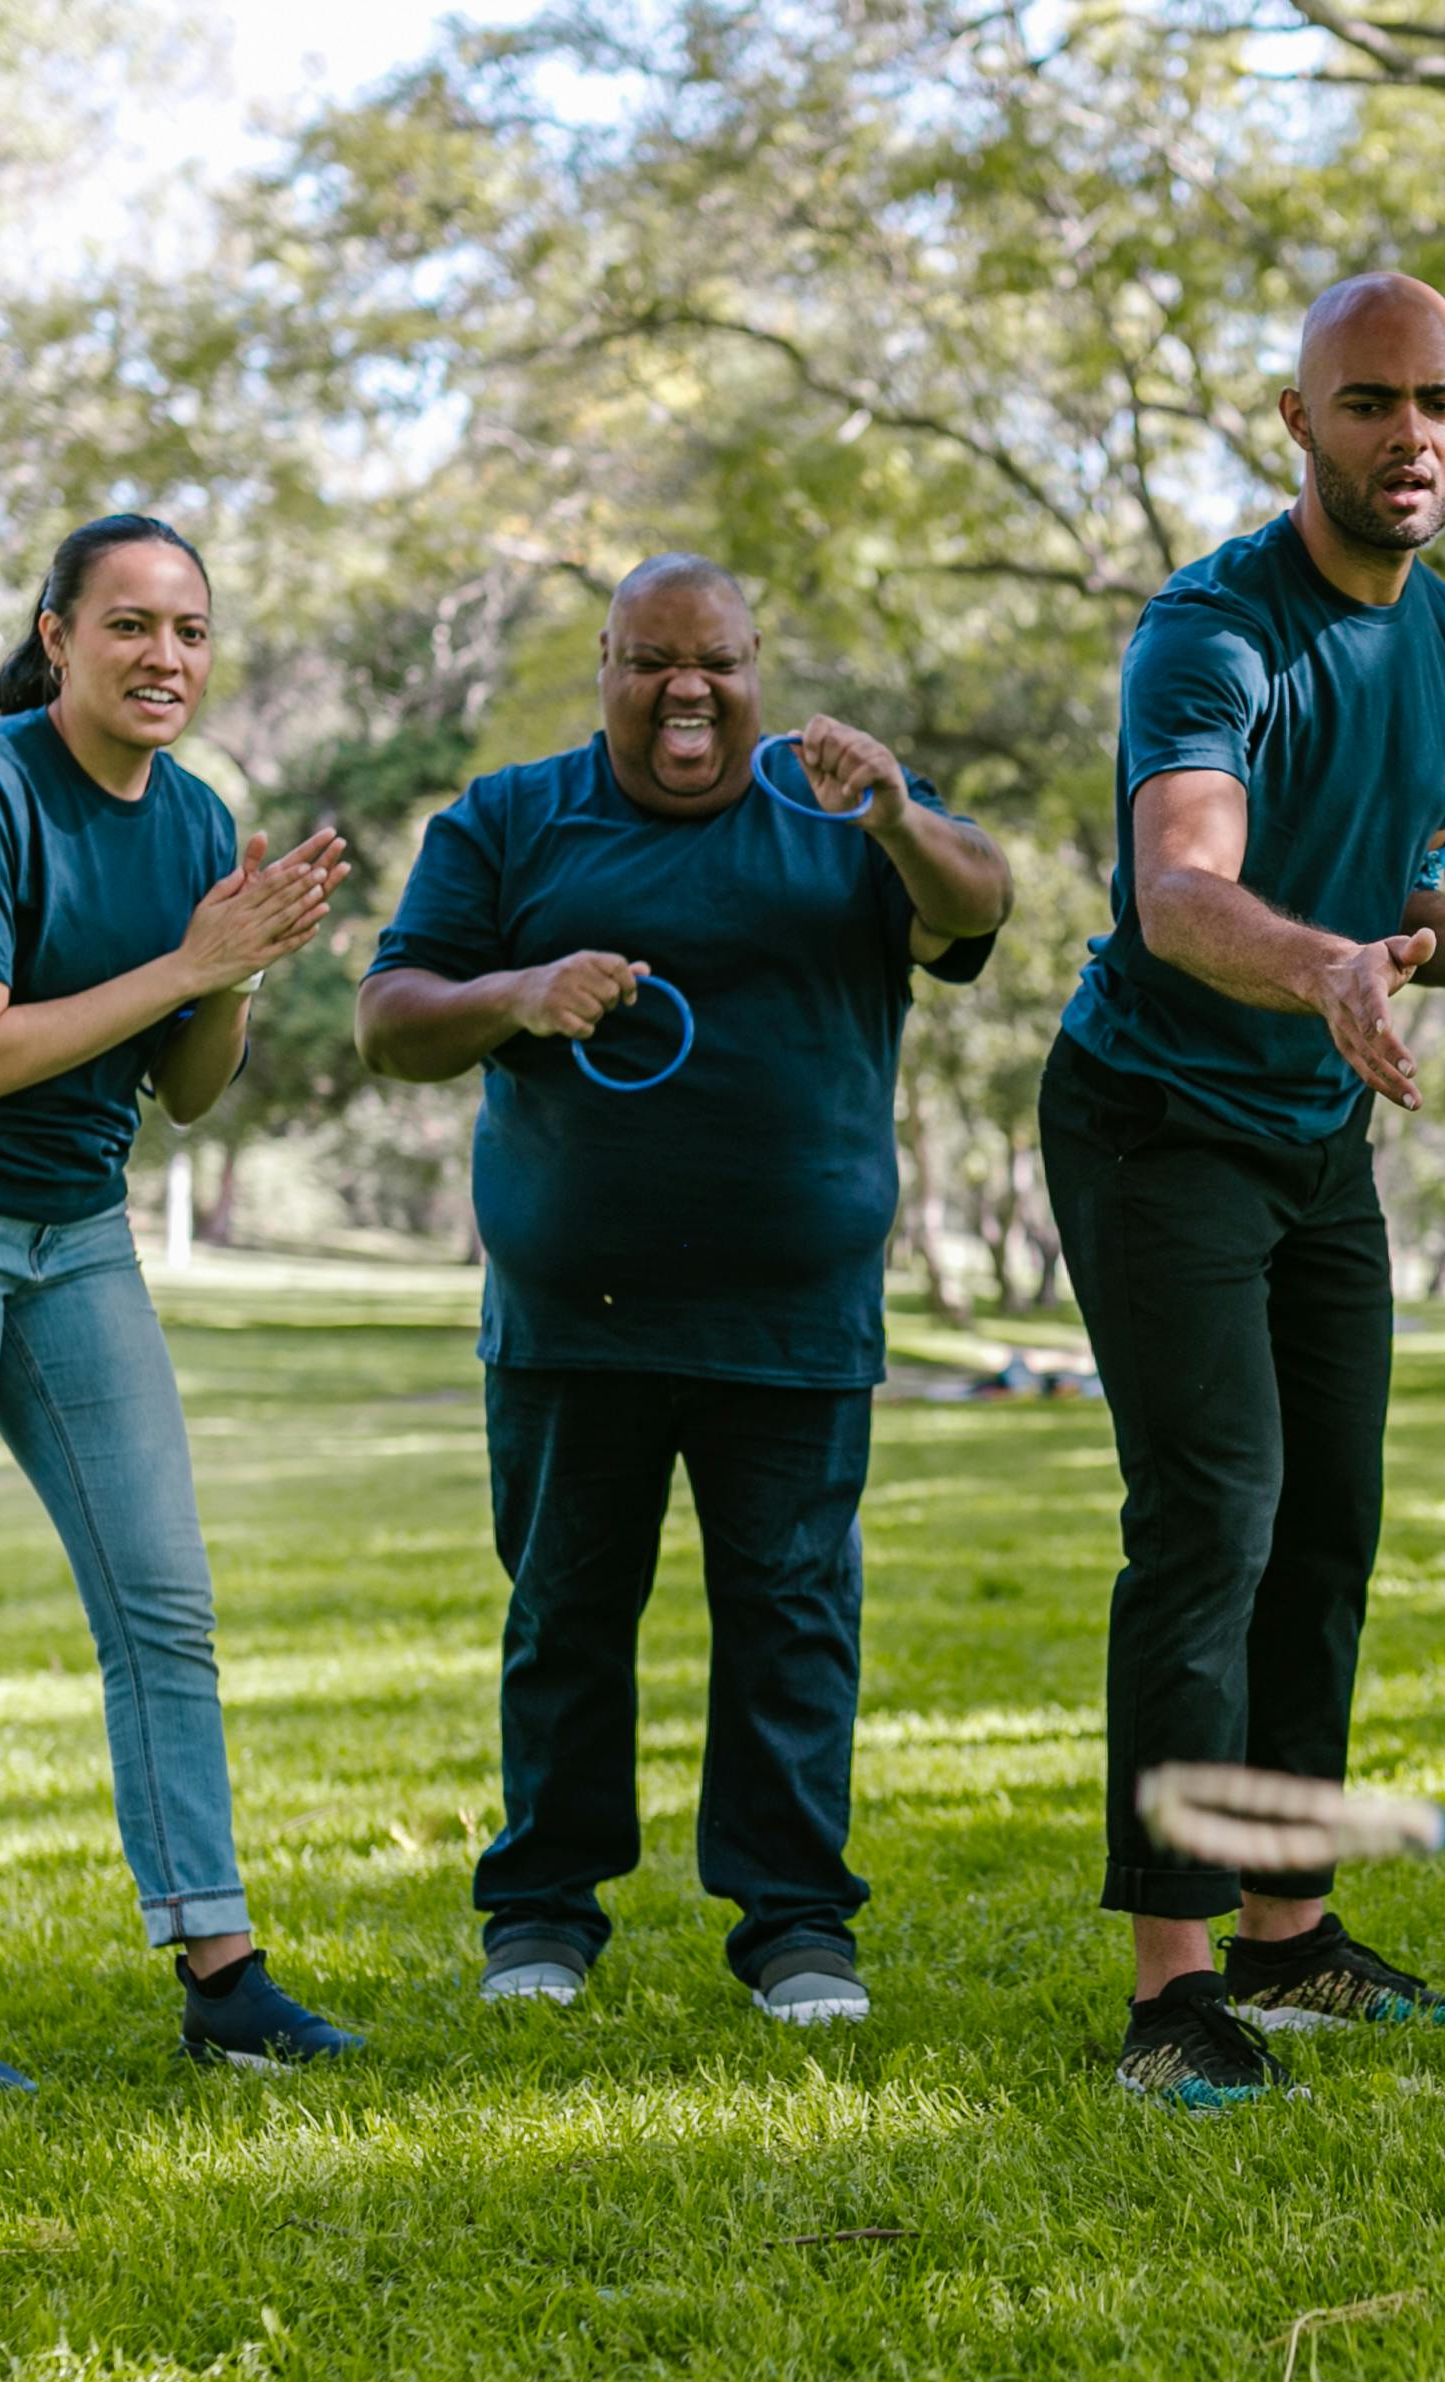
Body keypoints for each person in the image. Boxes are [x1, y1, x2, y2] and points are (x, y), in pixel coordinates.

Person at [1040, 272, 1445, 2110]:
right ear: (1297, 424)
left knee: (1327, 1526)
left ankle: (1290, 1945)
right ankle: (1170, 1993)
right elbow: (1177, 892)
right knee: (1211, 1512)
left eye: (1438, 398)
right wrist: (1322, 970)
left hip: (1308, 1138)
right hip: (1152, 1118)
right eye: (1368, 402)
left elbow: (1406, 892)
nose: (1410, 435)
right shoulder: (1208, 633)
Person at [358, 557, 1010, 2025]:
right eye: (652, 661)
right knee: (567, 1617)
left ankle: (795, 1925)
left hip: (793, 1315)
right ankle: (540, 1913)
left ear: (755, 661)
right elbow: (390, 1020)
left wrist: (901, 810)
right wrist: (516, 995)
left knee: (789, 1617)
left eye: (714, 659)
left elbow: (980, 912)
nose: (687, 691)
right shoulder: (512, 818)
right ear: (606, 665)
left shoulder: (838, 809)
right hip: (571, 1318)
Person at [0, 512, 362, 2097]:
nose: (164, 656)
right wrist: (188, 964)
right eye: (128, 624)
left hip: (73, 1230)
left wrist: (235, 965)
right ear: (57, 636)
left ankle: (221, 1970)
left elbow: (182, 1092)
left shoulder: (198, 819)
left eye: (188, 629)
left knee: (163, 1598)